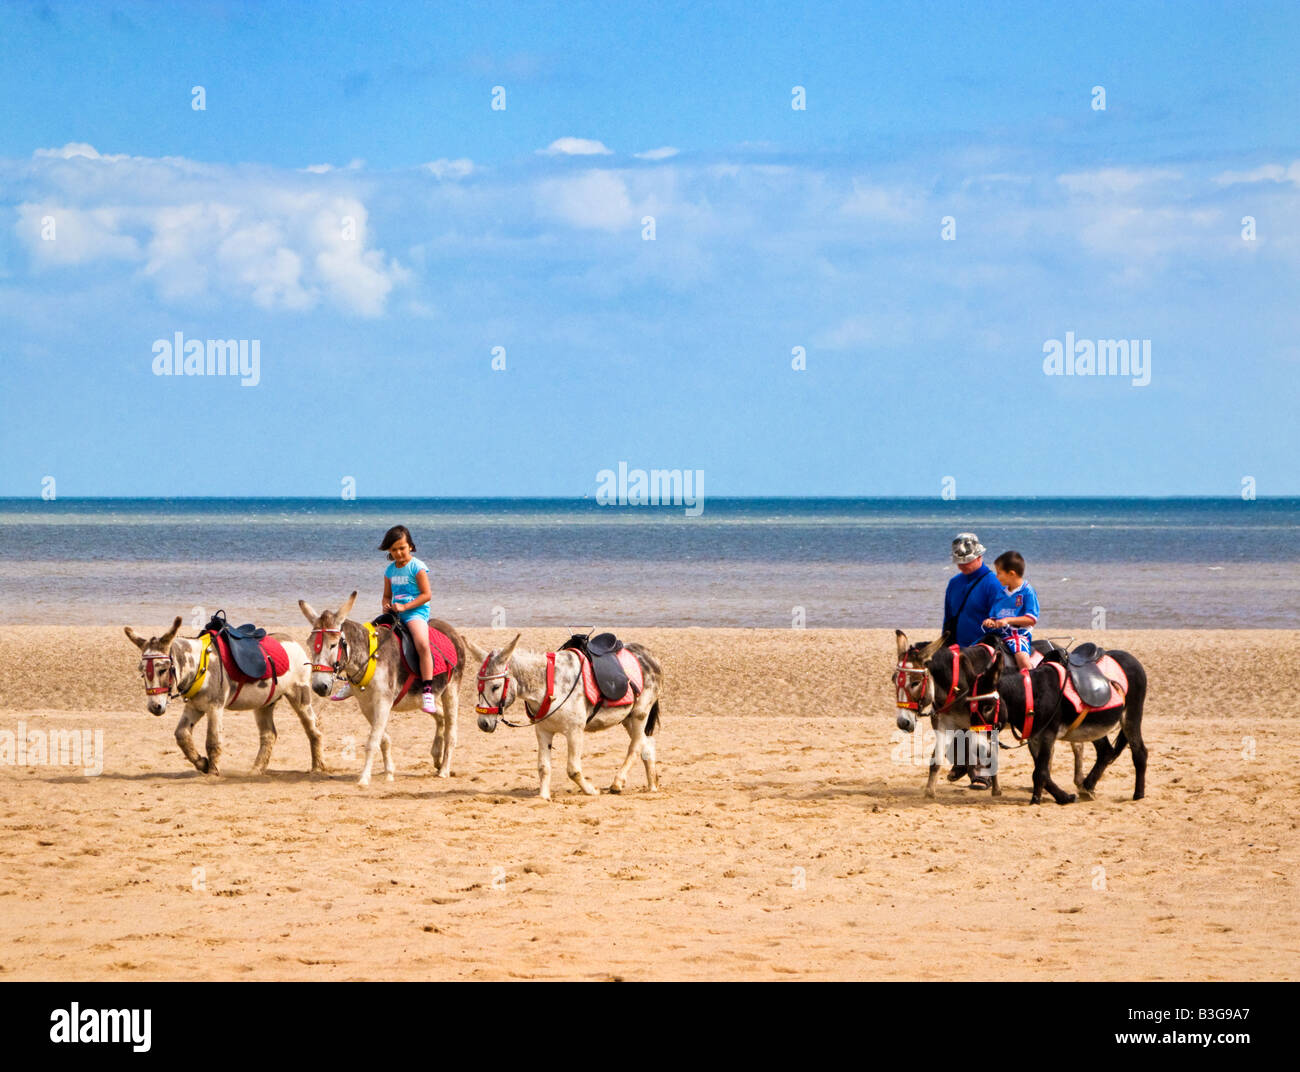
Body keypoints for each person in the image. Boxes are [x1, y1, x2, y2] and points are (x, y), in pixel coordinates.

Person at [940, 533, 1005, 789]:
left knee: (980, 712)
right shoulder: (954, 584)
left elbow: (999, 622)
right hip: (957, 652)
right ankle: (960, 760)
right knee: (948, 704)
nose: (962, 565)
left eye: (967, 560)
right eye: (959, 561)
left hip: (984, 654)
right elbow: (948, 620)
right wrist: (943, 648)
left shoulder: (993, 584)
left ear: (980, 556)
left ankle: (983, 772)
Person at [379, 524, 439, 714]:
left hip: (415, 612)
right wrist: (386, 605)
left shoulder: (417, 567)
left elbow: (426, 594)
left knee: (421, 643)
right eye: (394, 549)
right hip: (395, 613)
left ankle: (427, 690)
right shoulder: (389, 571)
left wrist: (405, 607)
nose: (398, 553)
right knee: (372, 636)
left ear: (410, 546)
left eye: (402, 548)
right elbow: (387, 595)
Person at [983, 550, 1040, 671]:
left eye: (999, 573)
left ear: (1011, 574)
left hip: (1018, 634)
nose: (996, 576)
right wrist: (990, 621)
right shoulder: (1001, 593)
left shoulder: (1027, 592)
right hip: (998, 632)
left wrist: (1008, 620)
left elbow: (1031, 619)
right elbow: (994, 615)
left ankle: (1030, 681)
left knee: (1022, 659)